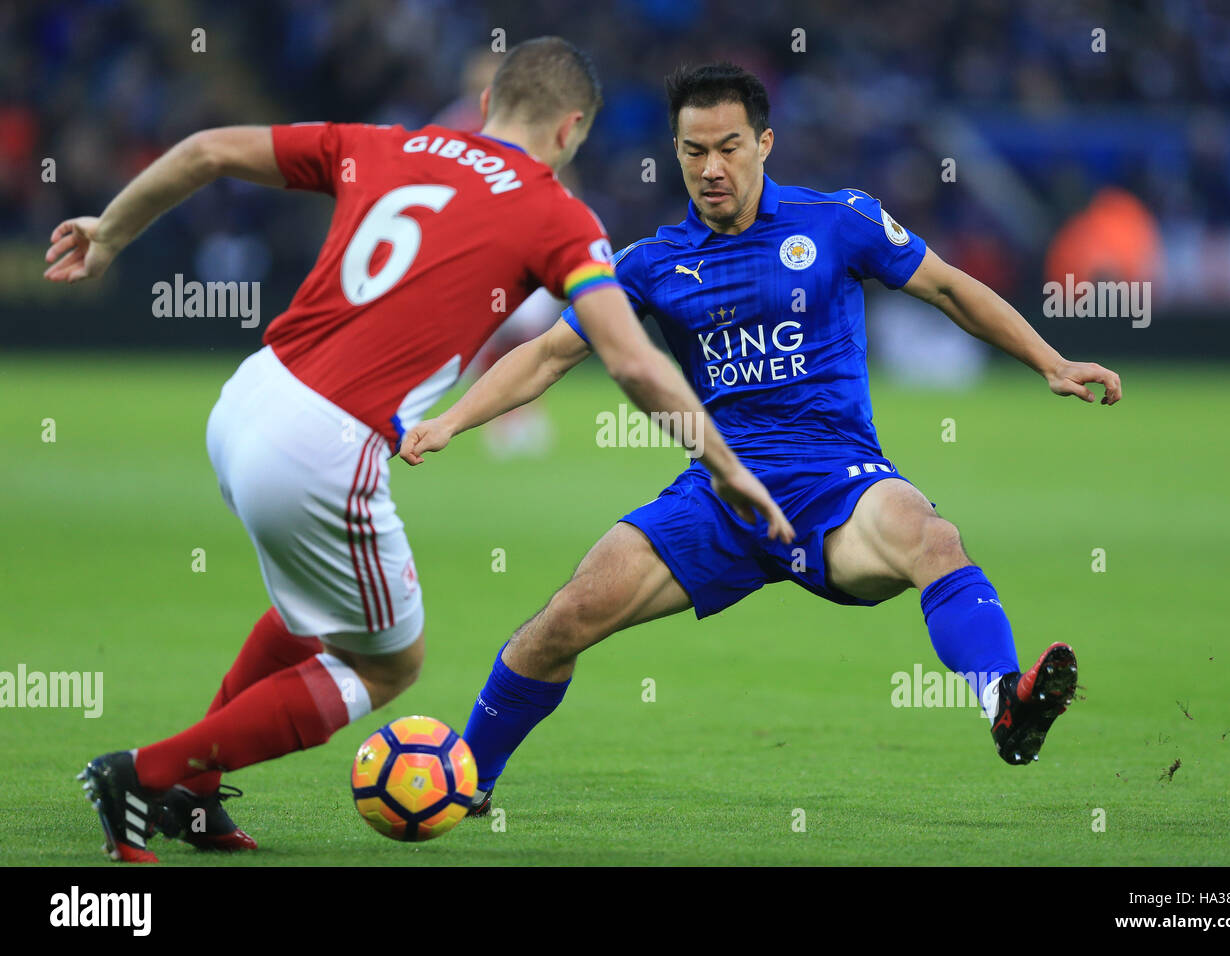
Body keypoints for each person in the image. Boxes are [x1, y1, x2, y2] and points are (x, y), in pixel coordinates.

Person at [44, 40, 791, 862]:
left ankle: (196, 794)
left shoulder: (384, 143)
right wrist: (728, 464)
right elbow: (633, 359)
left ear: (484, 106)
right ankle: (146, 774)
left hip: (249, 396)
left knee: (313, 613)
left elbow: (207, 149)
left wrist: (109, 232)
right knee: (388, 666)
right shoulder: (558, 213)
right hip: (327, 443)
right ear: (573, 129)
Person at [400, 63, 1122, 815]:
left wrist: (1052, 360)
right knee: (561, 622)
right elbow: (548, 353)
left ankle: (1006, 702)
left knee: (933, 540)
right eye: (693, 151)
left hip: (838, 483)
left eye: (730, 147)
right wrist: (451, 420)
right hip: (718, 497)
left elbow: (947, 287)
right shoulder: (649, 265)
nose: (712, 169)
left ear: (765, 143)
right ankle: (468, 782)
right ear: (675, 151)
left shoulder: (839, 220)